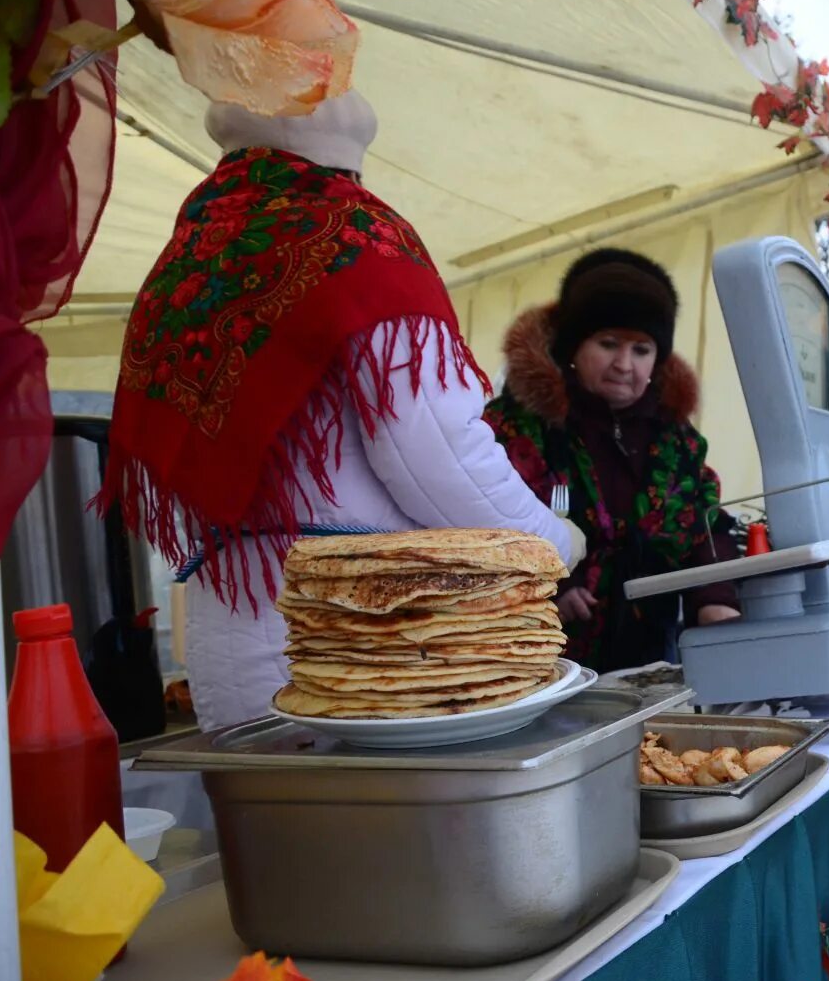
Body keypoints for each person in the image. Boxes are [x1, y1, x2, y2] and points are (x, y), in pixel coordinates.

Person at [95, 91, 583, 730]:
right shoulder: (356, 239)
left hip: (228, 621)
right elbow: (434, 451)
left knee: (265, 825)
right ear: (345, 163)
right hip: (356, 625)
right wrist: (553, 539)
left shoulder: (194, 254)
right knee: (374, 826)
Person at [485, 248, 739, 674]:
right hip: (540, 667)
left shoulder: (676, 443)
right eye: (608, 344)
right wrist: (549, 589)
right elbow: (486, 528)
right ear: (573, 346)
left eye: (641, 349)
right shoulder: (514, 430)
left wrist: (717, 601)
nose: (624, 365)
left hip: (650, 667)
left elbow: (703, 527)